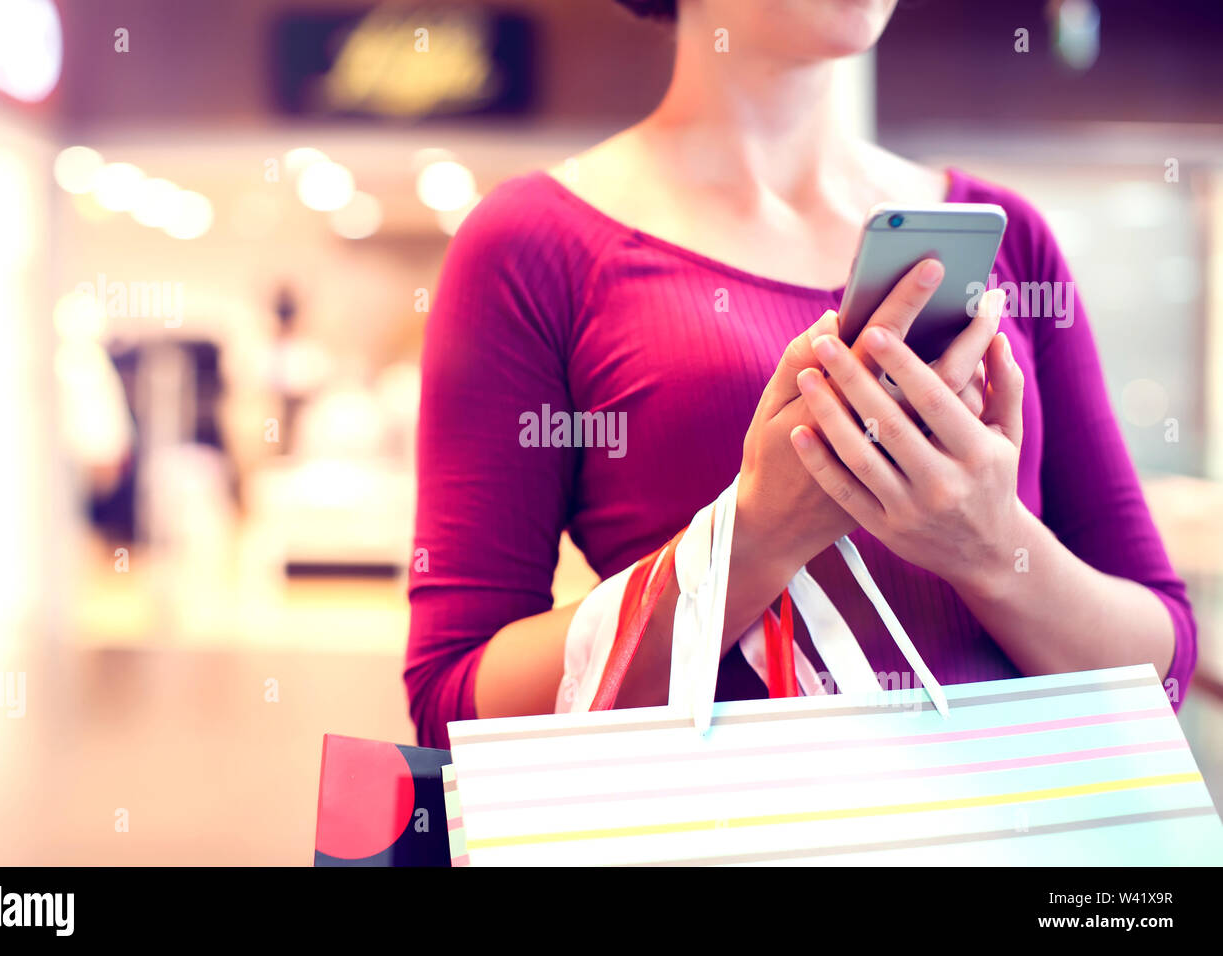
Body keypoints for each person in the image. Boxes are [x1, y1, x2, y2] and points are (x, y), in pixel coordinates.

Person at [404, 0, 1195, 749]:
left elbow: (1165, 669)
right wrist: (751, 538)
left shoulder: (1011, 238)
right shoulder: (530, 246)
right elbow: (451, 708)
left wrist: (991, 548)